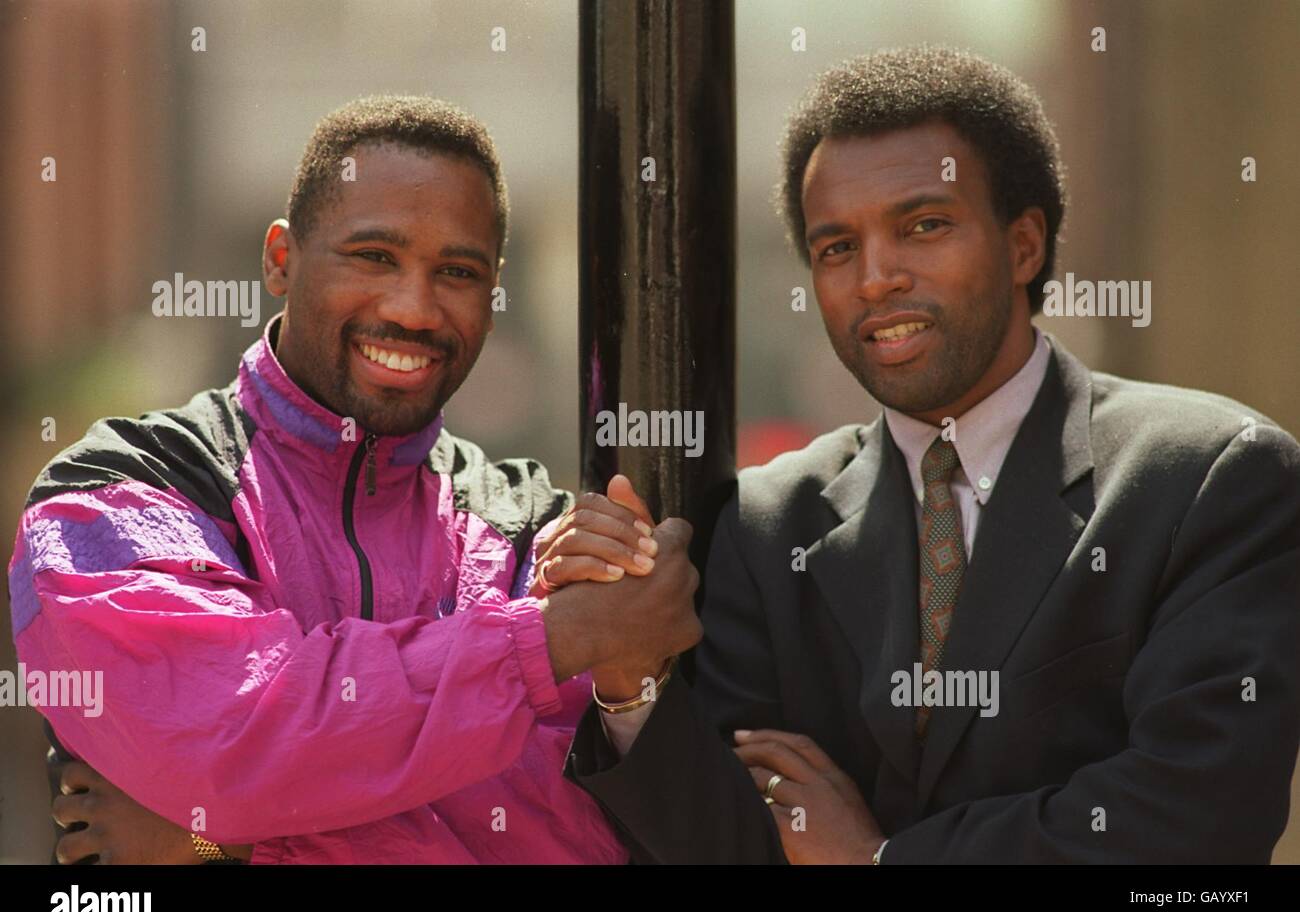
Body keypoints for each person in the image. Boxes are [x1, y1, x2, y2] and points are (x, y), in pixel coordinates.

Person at [565, 46, 1300, 864]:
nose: (876, 278)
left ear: (1024, 245)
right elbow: (735, 843)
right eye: (837, 247)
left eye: (923, 225)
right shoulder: (768, 525)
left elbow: (1198, 829)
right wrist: (629, 684)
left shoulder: (1208, 477)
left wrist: (881, 861)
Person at [10, 94, 700, 864]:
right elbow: (239, 742)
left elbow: (581, 846)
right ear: (280, 259)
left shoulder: (533, 529)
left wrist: (226, 844)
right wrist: (551, 644)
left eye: (457, 271)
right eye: (374, 256)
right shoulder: (117, 492)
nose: (412, 307)